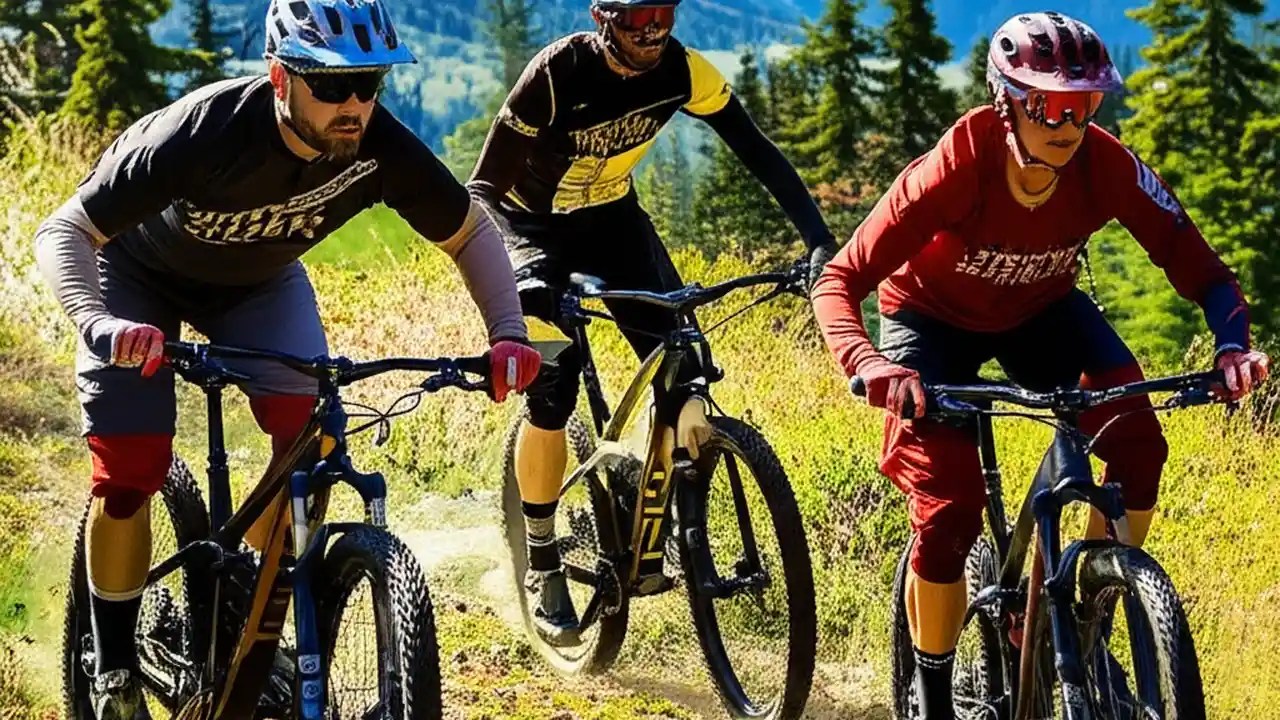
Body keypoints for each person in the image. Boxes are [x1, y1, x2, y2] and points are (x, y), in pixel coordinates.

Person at [33, 0, 541, 717]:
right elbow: (67, 230)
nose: (354, 104)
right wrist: (99, 323)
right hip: (136, 276)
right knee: (131, 467)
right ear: (280, 77)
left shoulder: (379, 145)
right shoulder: (204, 133)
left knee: (314, 435)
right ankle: (113, 667)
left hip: (256, 283)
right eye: (331, 86)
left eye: (369, 83)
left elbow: (467, 232)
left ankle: (257, 622)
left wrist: (508, 333)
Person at [810, 11, 1270, 719]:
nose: (1068, 123)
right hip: (930, 326)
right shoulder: (958, 163)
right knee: (950, 510)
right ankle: (930, 694)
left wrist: (1232, 346)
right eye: (1048, 104)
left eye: (1084, 106)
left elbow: (1202, 269)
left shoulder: (1105, 166)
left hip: (1041, 312)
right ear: (1006, 101)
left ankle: (1089, 616)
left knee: (1140, 445)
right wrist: (869, 362)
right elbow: (839, 278)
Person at [467, 0, 838, 644]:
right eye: (639, 16)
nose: (653, 29)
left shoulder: (683, 71)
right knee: (551, 394)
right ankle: (542, 551)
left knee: (685, 355)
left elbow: (757, 150)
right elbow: (480, 195)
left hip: (613, 224)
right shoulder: (556, 75)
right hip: (531, 232)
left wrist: (816, 240)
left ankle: (660, 504)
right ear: (604, 16)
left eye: (664, 12)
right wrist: (517, 282)